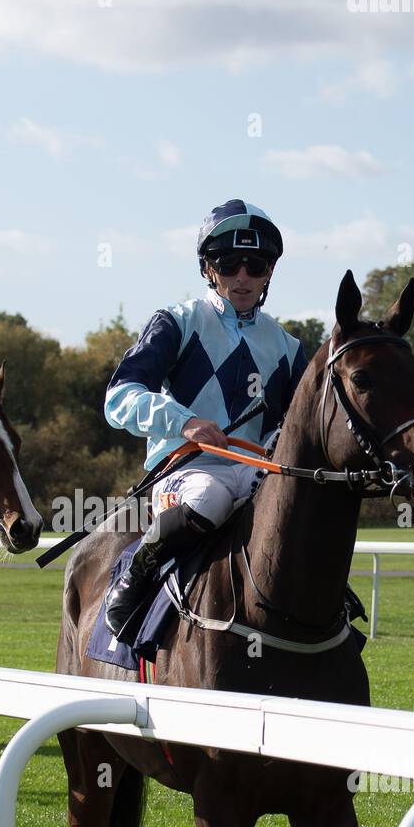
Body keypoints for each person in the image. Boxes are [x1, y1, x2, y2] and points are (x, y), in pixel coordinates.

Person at [103, 199, 308, 637]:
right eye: (229, 262)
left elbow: (296, 424)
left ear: (270, 271)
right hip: (183, 470)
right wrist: (184, 421)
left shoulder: (288, 347)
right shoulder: (177, 322)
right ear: (208, 268)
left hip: (257, 472)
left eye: (256, 264)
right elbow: (119, 397)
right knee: (211, 495)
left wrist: (276, 440)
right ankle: (134, 578)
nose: (242, 276)